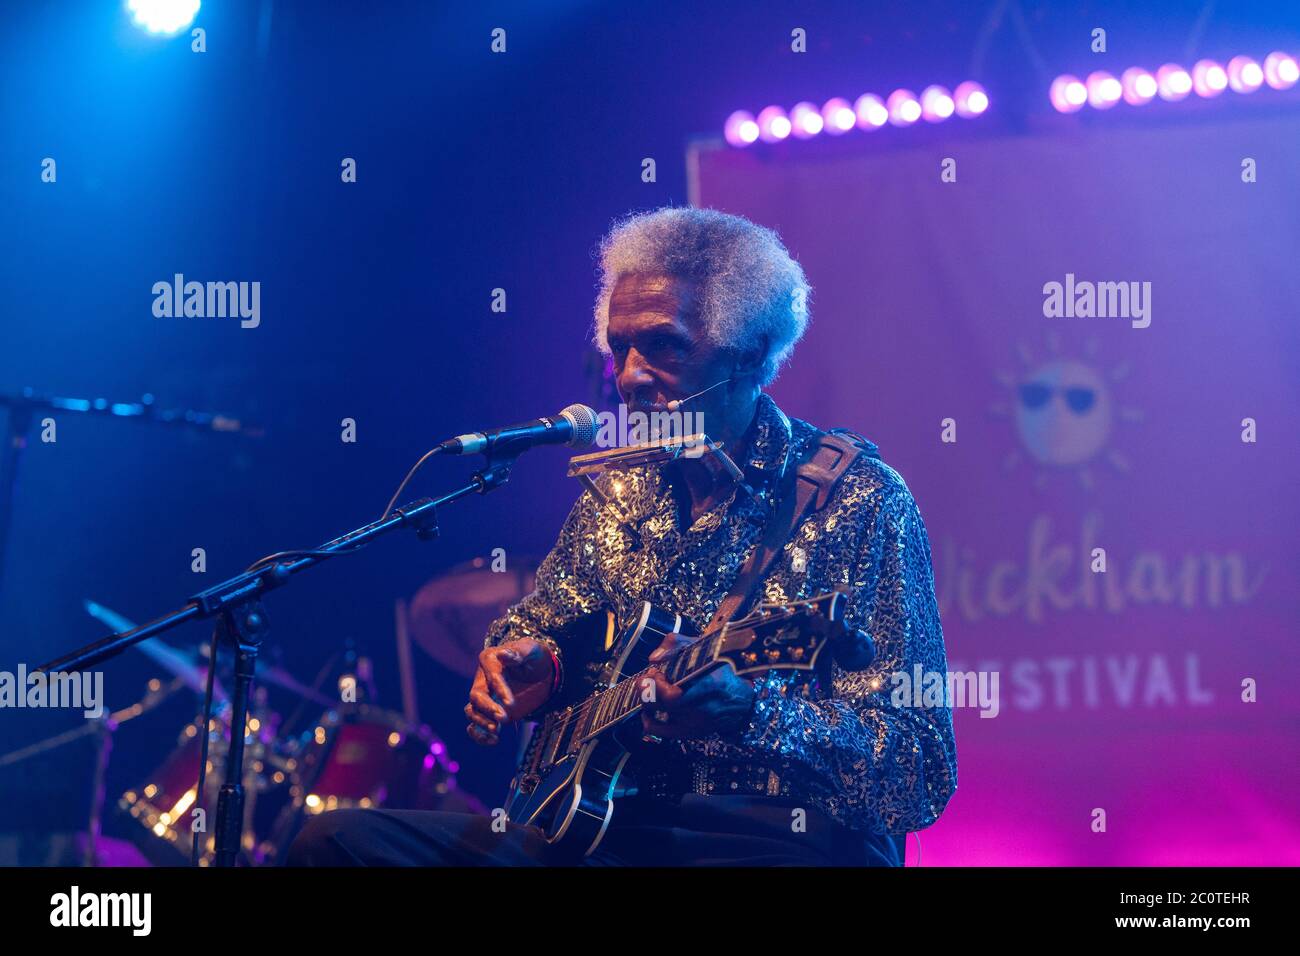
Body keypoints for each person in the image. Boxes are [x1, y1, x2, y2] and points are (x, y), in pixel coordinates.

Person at [287, 206, 957, 866]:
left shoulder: (859, 499)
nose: (629, 375)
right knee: (336, 842)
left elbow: (919, 769)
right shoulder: (619, 493)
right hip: (602, 831)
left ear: (749, 353)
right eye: (619, 347)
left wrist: (751, 714)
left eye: (663, 344)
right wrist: (530, 664)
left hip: (772, 836)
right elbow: (540, 628)